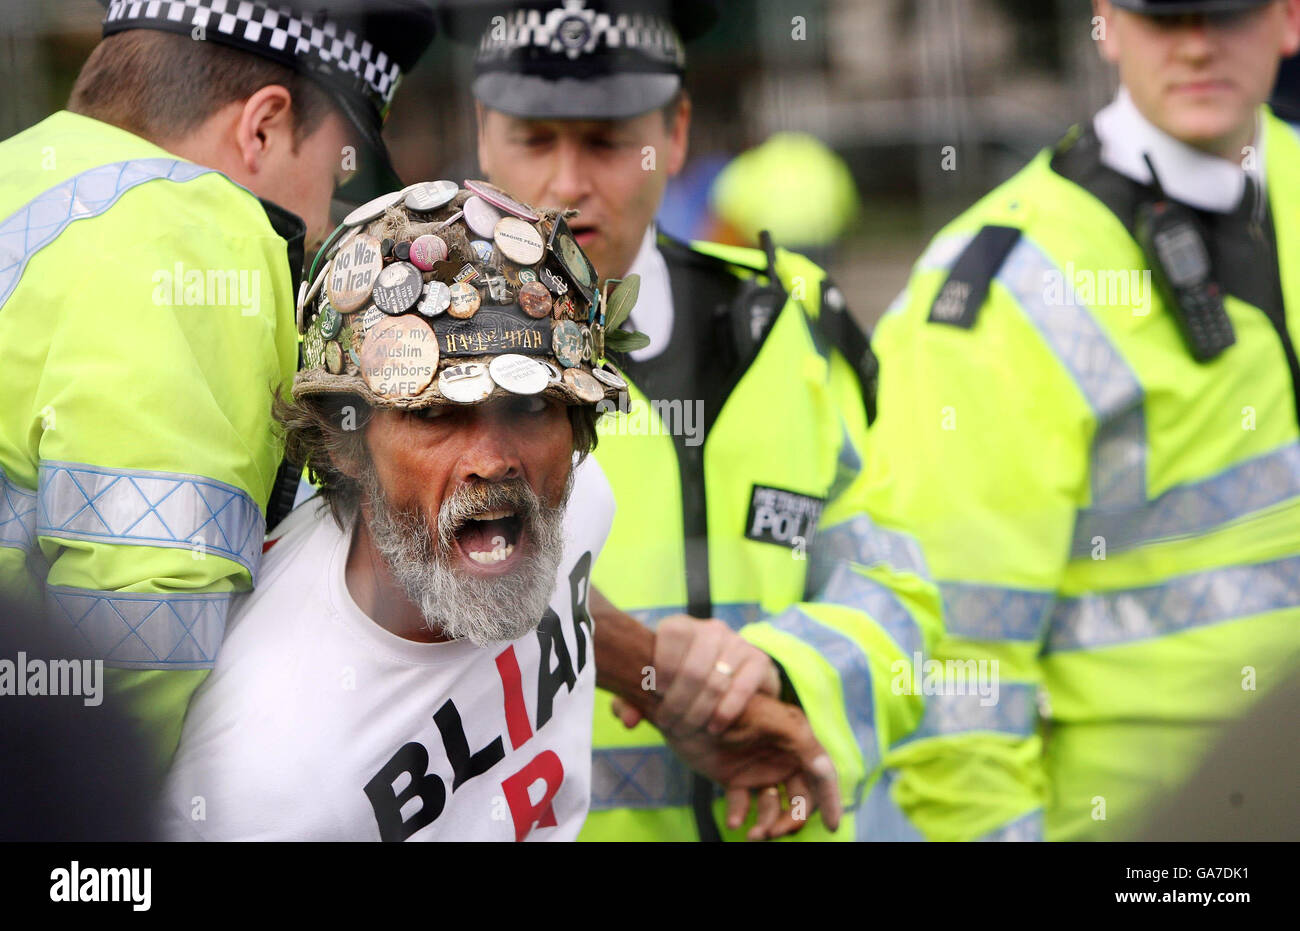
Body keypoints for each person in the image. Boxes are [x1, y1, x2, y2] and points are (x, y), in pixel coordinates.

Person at [159, 183, 830, 840]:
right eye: (435, 414)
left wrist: (661, 689)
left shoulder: (569, 502)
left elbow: (563, 582)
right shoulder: (266, 781)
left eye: (529, 404)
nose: (494, 458)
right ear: (345, 439)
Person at [440, 0, 940, 841]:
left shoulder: (790, 320)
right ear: (484, 135)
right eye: (534, 139)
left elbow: (897, 588)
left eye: (605, 142)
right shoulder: (417, 363)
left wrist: (780, 672)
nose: (567, 183)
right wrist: (648, 667)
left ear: (673, 133)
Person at [865, 0, 1300, 840]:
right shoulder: (1003, 285)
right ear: (1107, 24)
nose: (1198, 44)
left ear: (1287, 18)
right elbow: (958, 658)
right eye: (1164, 17)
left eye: (1229, 13)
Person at [0, 0, 436, 767]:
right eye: (338, 173)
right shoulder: (196, 233)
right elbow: (144, 624)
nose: (329, 220)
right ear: (262, 127)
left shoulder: (24, 182)